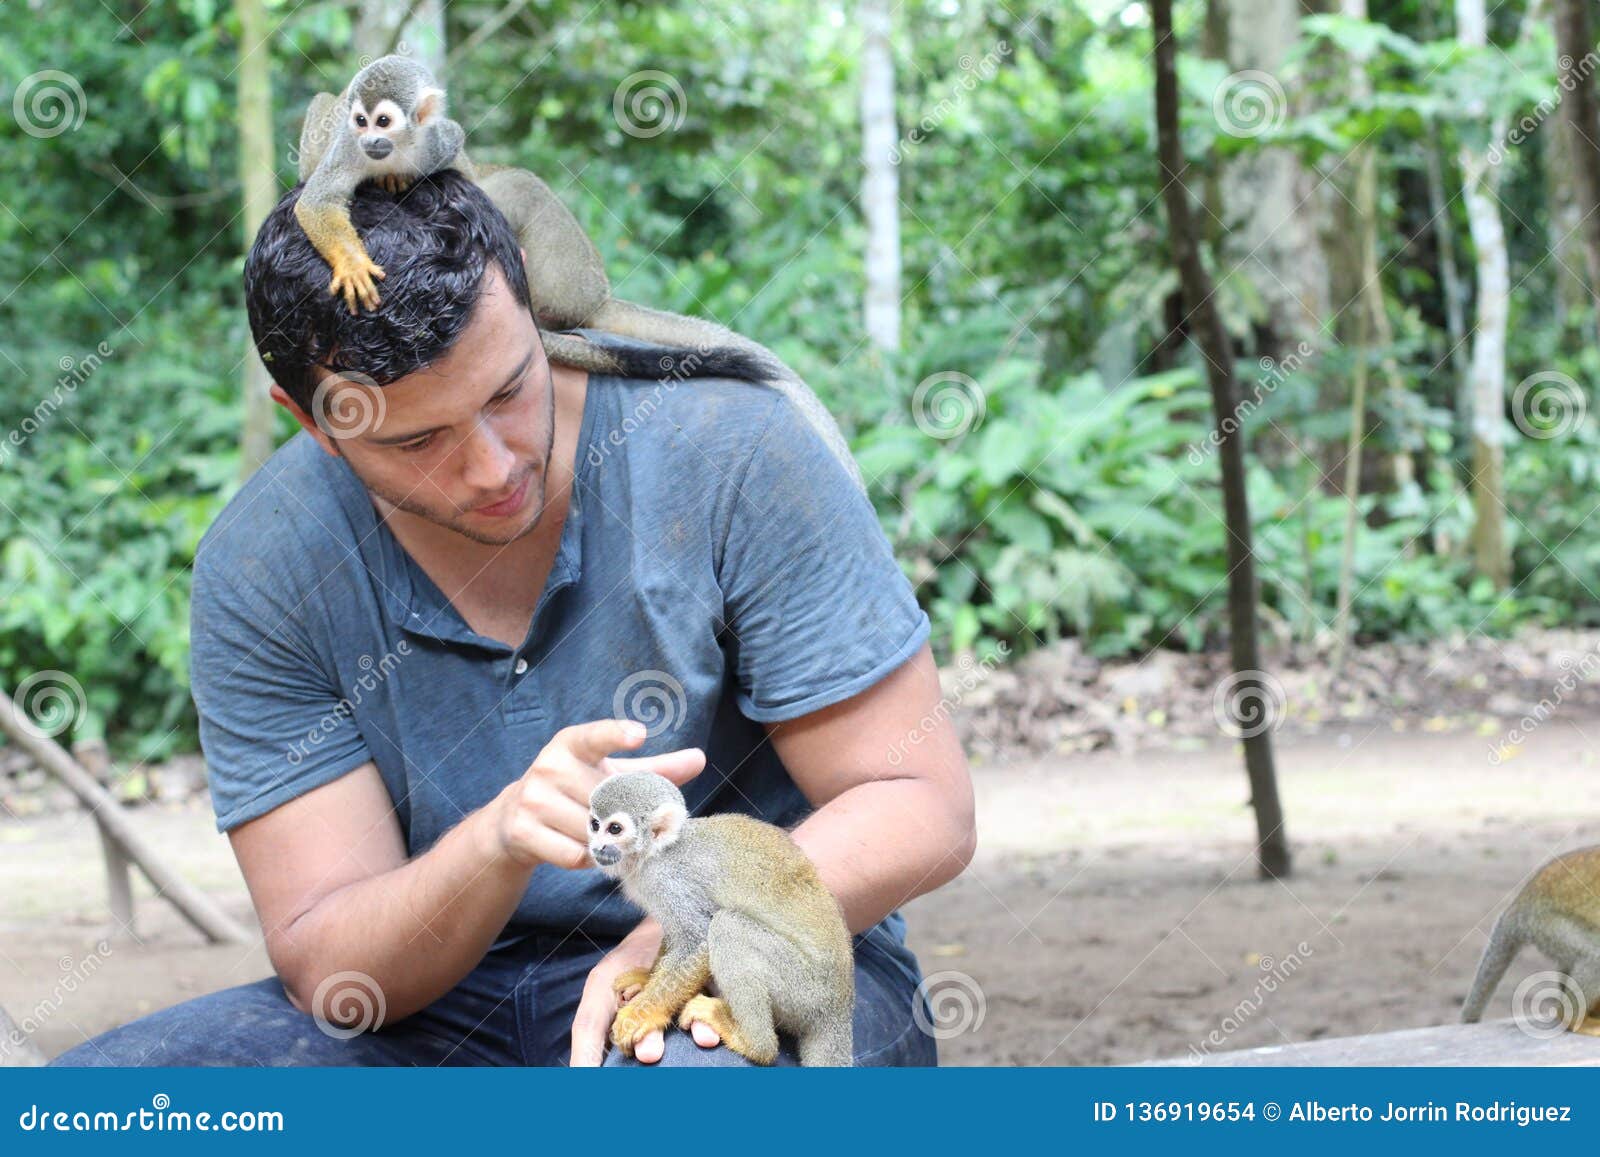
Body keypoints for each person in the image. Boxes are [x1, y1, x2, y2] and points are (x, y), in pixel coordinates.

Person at [51, 171, 975, 1067]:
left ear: (536, 315)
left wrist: (670, 940)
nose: (492, 466)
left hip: (752, 952)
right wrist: (495, 843)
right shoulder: (266, 563)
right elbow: (331, 968)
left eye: (507, 390)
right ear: (310, 421)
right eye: (417, 440)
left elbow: (921, 804)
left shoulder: (729, 447)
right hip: (427, 1020)